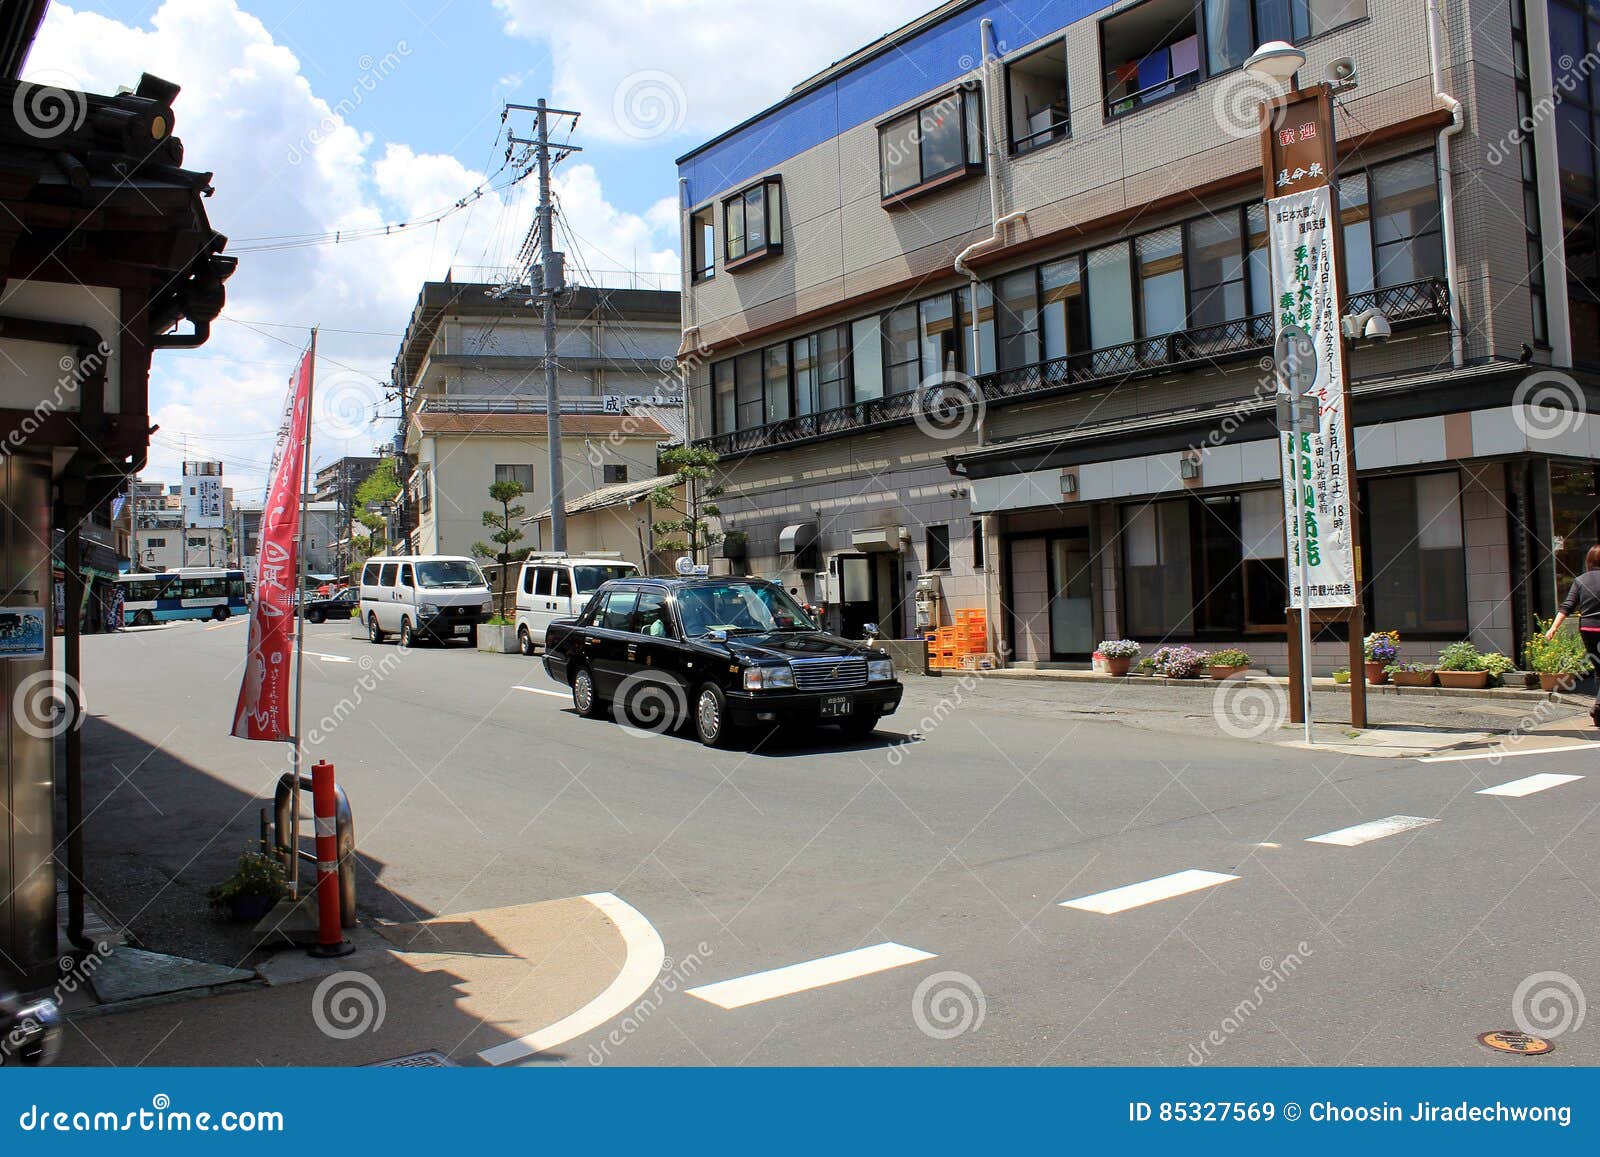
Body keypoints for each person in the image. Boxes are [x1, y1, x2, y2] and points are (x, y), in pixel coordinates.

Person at [1546, 543, 1600, 726]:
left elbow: (1567, 606)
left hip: (1587, 629)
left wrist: (1553, 628)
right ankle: (1598, 707)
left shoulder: (1580, 580)